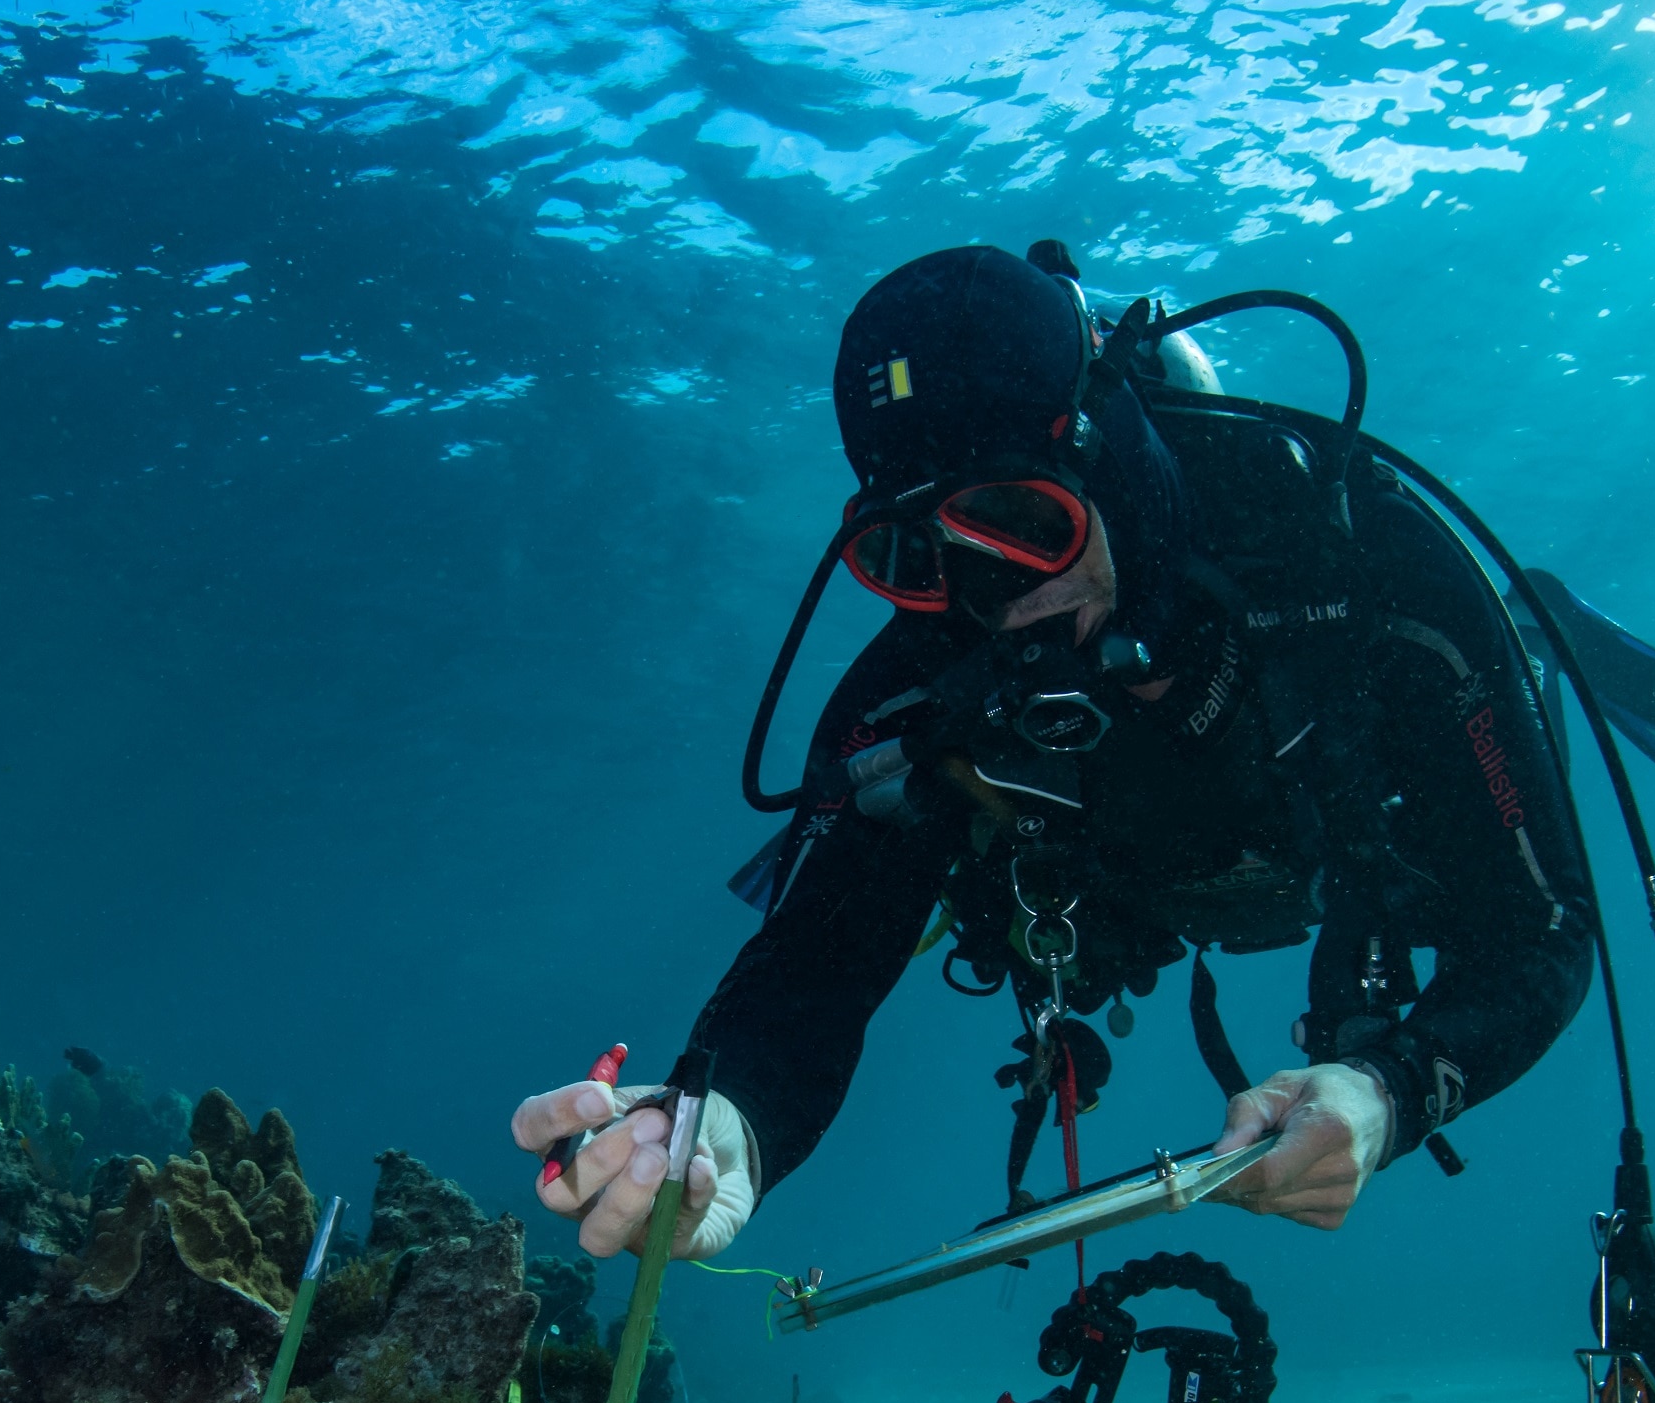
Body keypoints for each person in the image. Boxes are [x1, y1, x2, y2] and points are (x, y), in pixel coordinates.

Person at [514, 242, 1598, 1259]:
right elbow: (815, 966)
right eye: (919, 558)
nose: (998, 605)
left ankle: (1539, 632)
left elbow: (1540, 930)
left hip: (1348, 840)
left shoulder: (1362, 570)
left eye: (1022, 522)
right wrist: (724, 1127)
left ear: (1113, 465)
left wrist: (1387, 1088)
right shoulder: (927, 682)